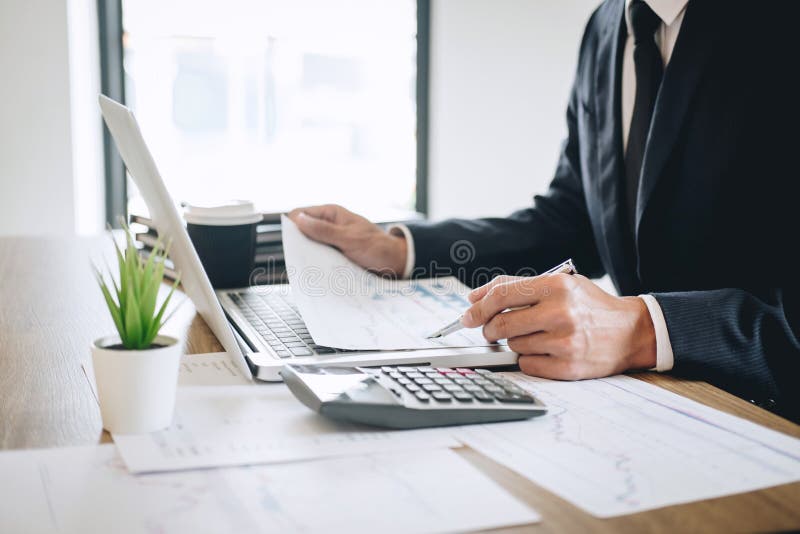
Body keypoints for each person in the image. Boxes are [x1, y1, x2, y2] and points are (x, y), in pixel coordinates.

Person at [288, 0, 800, 421]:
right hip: (657, 410)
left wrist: (643, 328)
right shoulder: (606, 27)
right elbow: (573, 218)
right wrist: (398, 249)